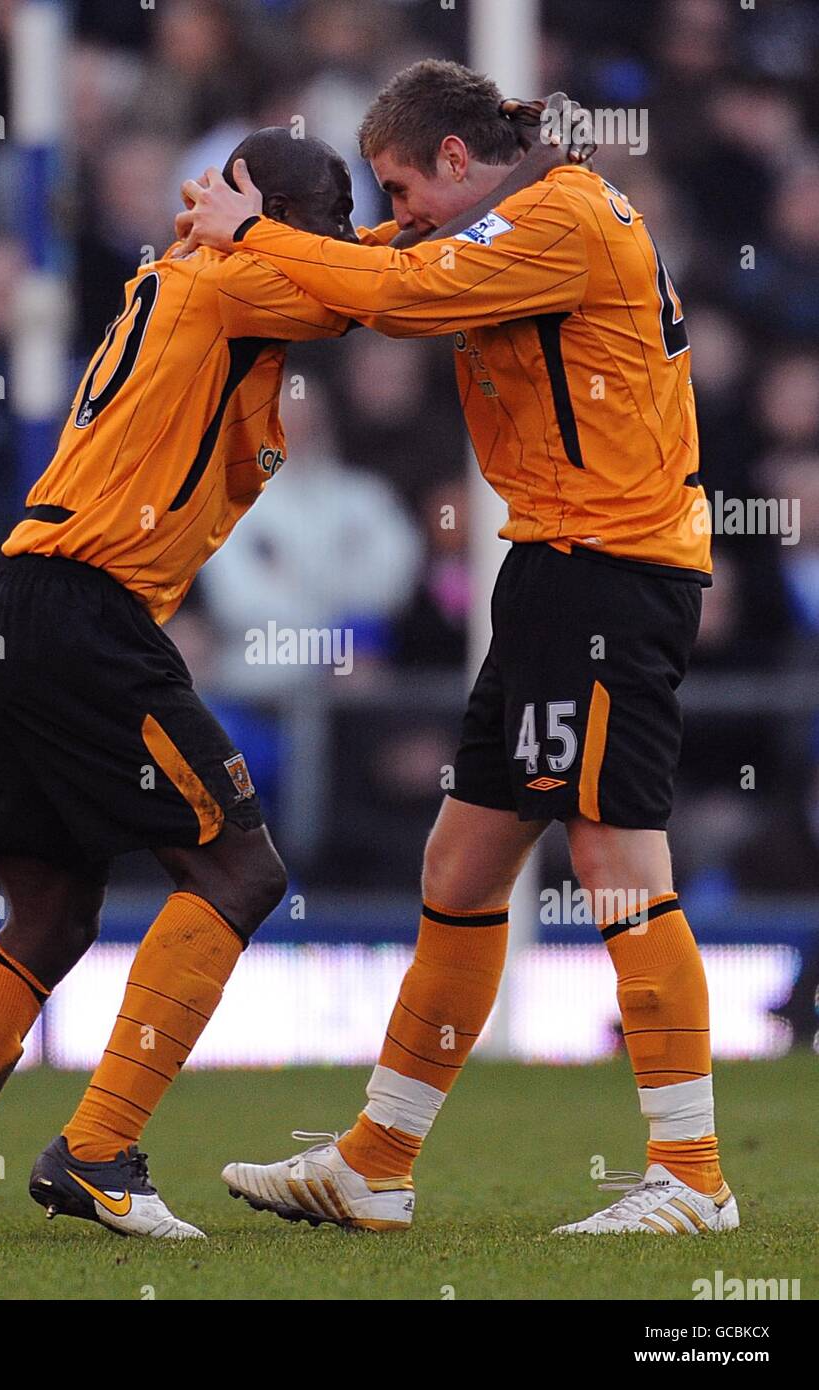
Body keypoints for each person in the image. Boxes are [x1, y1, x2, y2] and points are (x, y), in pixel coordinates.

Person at [178, 60, 738, 1237]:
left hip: (609, 574)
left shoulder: (561, 220)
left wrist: (254, 234)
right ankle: (375, 1160)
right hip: (552, 572)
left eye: (398, 184)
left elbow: (401, 294)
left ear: (450, 157)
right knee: (462, 867)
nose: (393, 212)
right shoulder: (524, 220)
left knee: (614, 854)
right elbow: (391, 273)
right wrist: (261, 255)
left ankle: (689, 1173)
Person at [0, 127, 365, 1243]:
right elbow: (379, 300)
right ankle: (97, 1148)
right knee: (238, 865)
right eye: (331, 220)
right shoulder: (230, 280)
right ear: (263, 215)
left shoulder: (198, 288)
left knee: (49, 914)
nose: (342, 245)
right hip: (80, 612)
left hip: (21, 605)